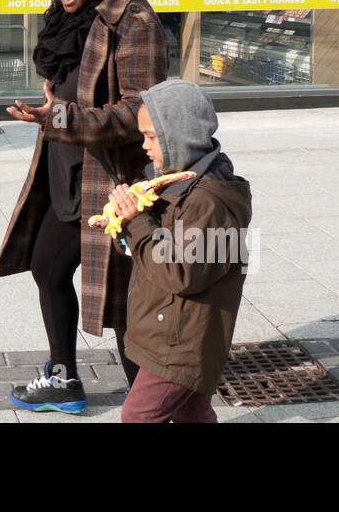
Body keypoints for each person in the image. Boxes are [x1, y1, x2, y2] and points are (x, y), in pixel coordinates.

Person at [0, 0, 169, 413]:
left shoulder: (136, 24)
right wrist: (52, 105)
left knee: (123, 301)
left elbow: (140, 113)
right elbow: (65, 74)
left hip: (112, 181)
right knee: (47, 267)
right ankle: (64, 377)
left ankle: (151, 406)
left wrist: (62, 115)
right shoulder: (72, 15)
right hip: (65, 170)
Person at [95, 78, 252, 423]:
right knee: (193, 412)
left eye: (152, 137)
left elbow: (179, 273)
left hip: (182, 342)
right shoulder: (172, 182)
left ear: (180, 135)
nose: (144, 147)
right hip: (170, 330)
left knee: (138, 416)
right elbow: (150, 252)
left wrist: (136, 222)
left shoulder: (209, 200)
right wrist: (123, 222)